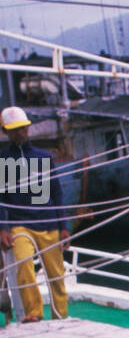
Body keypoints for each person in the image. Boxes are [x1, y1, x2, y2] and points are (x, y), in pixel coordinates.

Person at [0, 106, 70, 322]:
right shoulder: (2, 160)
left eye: (21, 128)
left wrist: (64, 227)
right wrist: (2, 229)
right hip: (20, 224)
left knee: (56, 275)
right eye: (13, 130)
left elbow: (56, 193)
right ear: (6, 132)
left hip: (48, 223)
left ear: (28, 128)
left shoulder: (43, 157)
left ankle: (61, 316)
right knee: (23, 264)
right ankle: (34, 314)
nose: (18, 133)